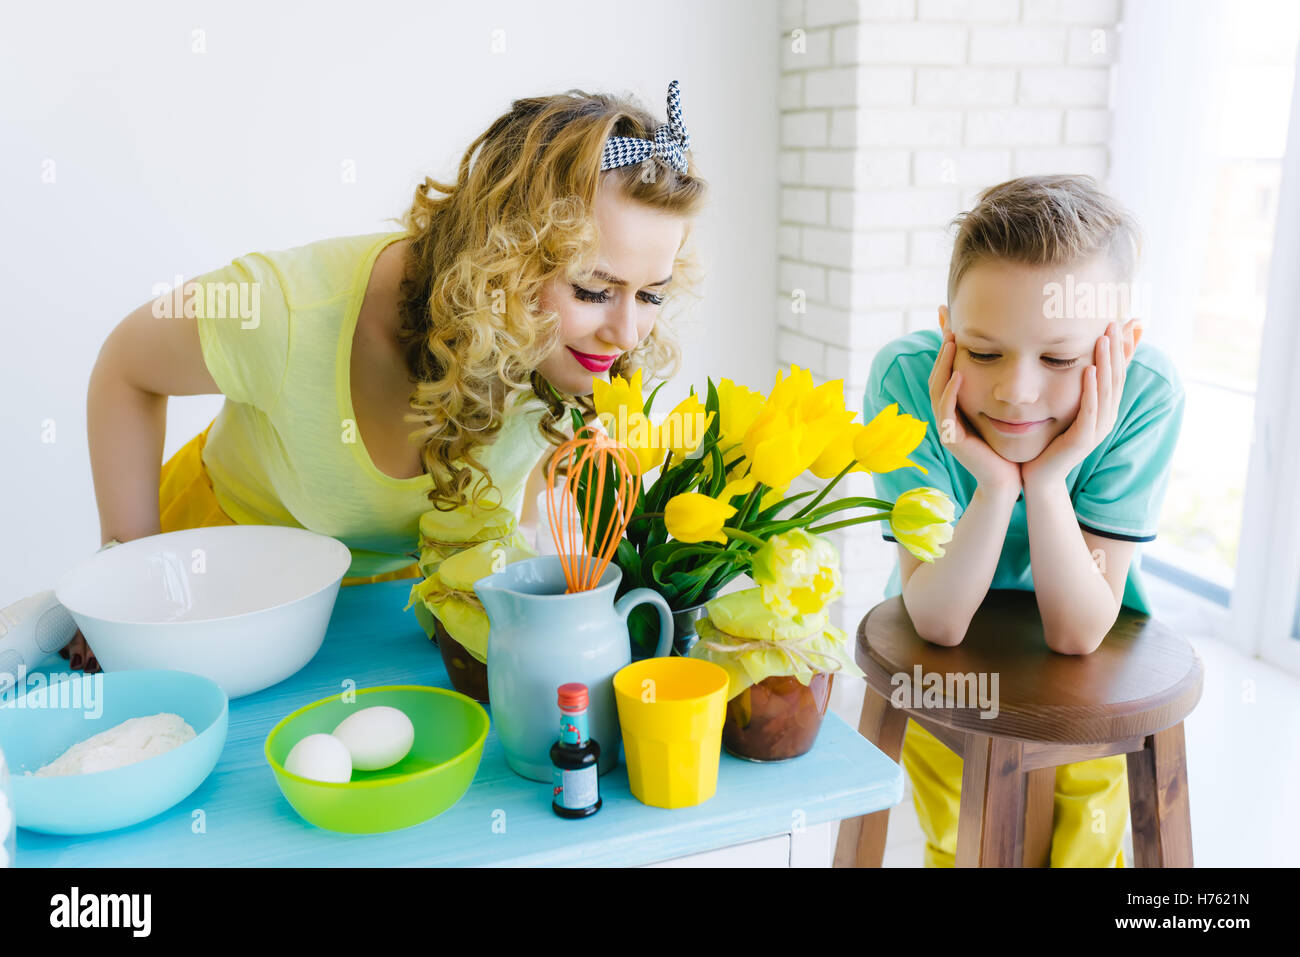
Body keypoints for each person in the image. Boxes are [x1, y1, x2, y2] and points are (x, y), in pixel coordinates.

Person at [62, 81, 708, 673]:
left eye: (651, 294)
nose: (627, 335)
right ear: (502, 256)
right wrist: (128, 578)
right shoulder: (280, 312)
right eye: (595, 288)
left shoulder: (574, 356)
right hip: (218, 580)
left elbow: (540, 516)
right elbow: (126, 366)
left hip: (394, 615)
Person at [863, 175, 1186, 867]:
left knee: (1084, 847)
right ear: (948, 332)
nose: (1017, 391)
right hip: (951, 653)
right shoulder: (904, 381)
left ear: (1119, 347)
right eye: (983, 353)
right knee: (962, 842)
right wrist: (989, 483)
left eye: (1062, 358)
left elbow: (1077, 632)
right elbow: (940, 622)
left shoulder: (1148, 395)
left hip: (1092, 651)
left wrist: (1046, 482)